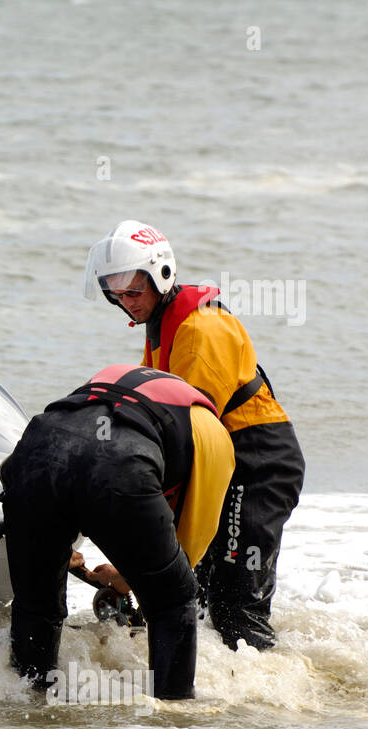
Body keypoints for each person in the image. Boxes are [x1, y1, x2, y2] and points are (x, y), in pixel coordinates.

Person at [84, 221, 306, 651]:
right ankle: (208, 708)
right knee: (199, 594)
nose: (125, 302)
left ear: (161, 276)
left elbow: (185, 447)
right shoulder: (162, 323)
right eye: (115, 292)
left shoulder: (200, 332)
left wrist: (135, 567)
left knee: (234, 606)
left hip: (257, 463)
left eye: (133, 291)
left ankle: (265, 695)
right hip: (222, 456)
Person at [1, 364, 235, 700]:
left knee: (36, 604)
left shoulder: (113, 379)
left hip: (37, 450)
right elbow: (192, 539)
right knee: (174, 599)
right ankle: (174, 712)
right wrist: (136, 577)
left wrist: (53, 544)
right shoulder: (214, 434)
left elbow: (22, 469)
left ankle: (28, 700)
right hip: (121, 466)